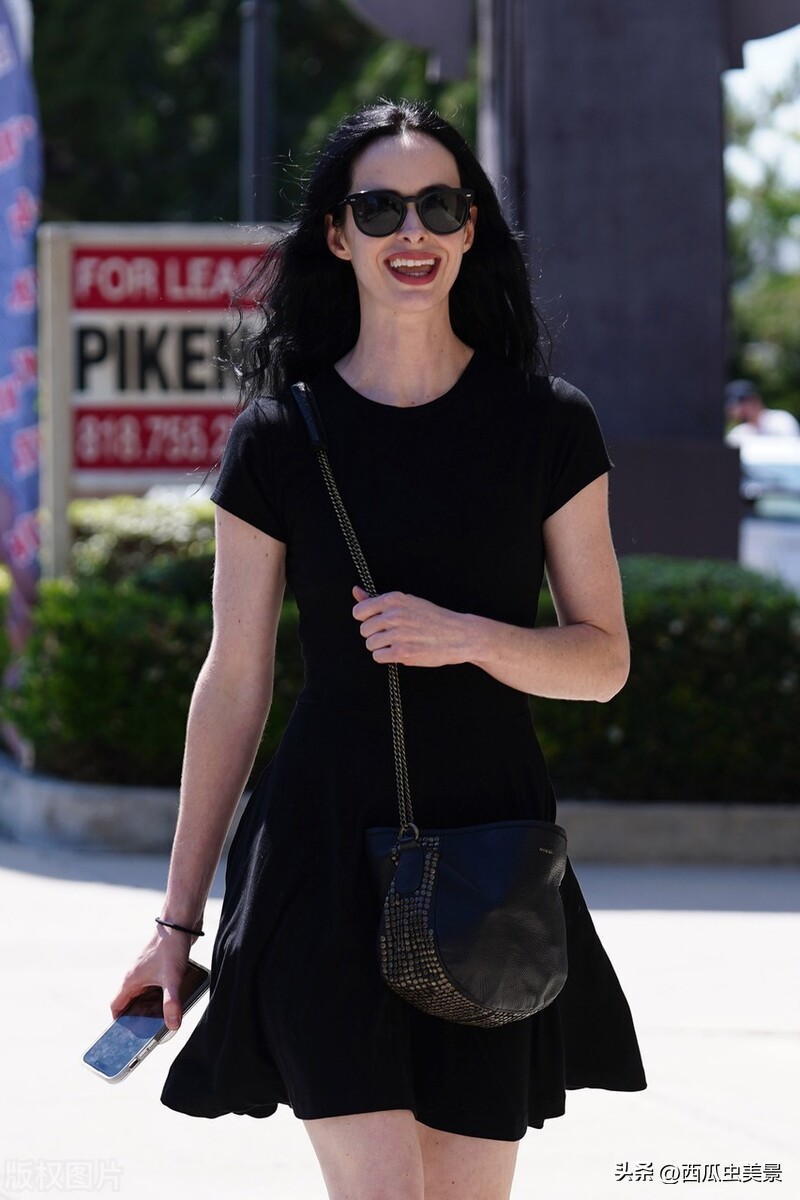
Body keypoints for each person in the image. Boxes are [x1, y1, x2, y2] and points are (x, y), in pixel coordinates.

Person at [112, 100, 646, 1200]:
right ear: (336, 234)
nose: (413, 229)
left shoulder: (548, 424)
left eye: (438, 205)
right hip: (317, 845)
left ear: (469, 228)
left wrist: (465, 638)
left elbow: (601, 661)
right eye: (380, 206)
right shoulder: (276, 436)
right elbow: (235, 680)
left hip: (489, 855)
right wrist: (176, 923)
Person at [724, 379, 800, 445]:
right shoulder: (738, 433)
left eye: (739, 405)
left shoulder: (781, 421)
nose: (734, 412)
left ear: (753, 400)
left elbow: (792, 454)